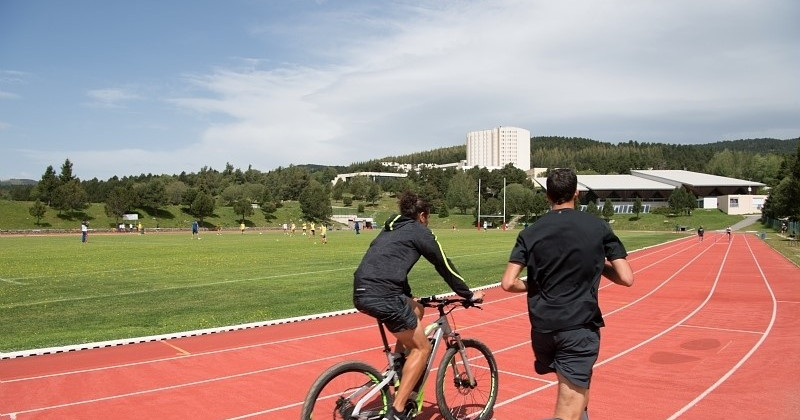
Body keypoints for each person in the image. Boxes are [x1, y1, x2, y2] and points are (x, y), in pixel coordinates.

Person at [499, 168, 633, 420]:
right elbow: (626, 278)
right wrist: (597, 263)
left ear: (548, 195)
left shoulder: (530, 232)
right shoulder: (598, 227)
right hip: (578, 327)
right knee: (569, 402)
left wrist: (533, 286)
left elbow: (508, 283)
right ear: (577, 193)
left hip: (542, 329)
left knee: (577, 390)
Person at [353, 192, 485, 420]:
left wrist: (408, 296)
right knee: (422, 348)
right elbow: (444, 265)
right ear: (422, 216)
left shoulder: (389, 230)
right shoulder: (419, 232)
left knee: (416, 309)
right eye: (429, 218)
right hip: (385, 295)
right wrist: (468, 294)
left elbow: (390, 267)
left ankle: (398, 364)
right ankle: (397, 411)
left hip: (361, 291)